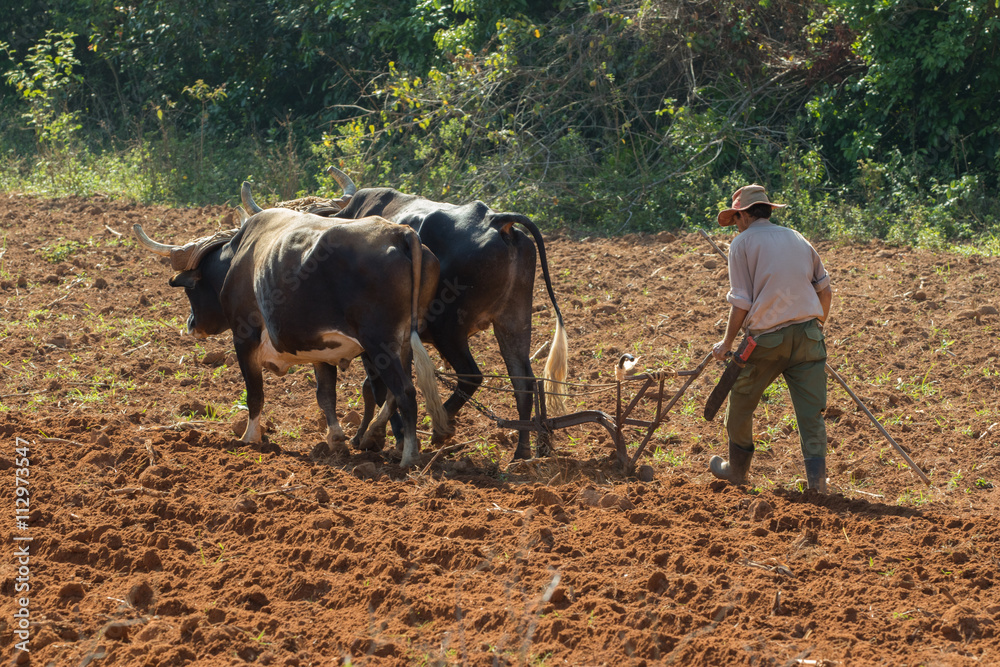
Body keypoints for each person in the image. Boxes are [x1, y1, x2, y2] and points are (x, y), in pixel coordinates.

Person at [709, 184, 833, 492]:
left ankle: (737, 473)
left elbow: (741, 302)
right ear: (767, 210)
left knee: (740, 400)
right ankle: (817, 484)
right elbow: (825, 290)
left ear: (744, 216)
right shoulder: (797, 237)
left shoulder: (741, 244)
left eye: (736, 218)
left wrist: (726, 345)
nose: (736, 225)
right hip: (808, 336)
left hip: (767, 339)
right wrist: (816, 326)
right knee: (811, 414)